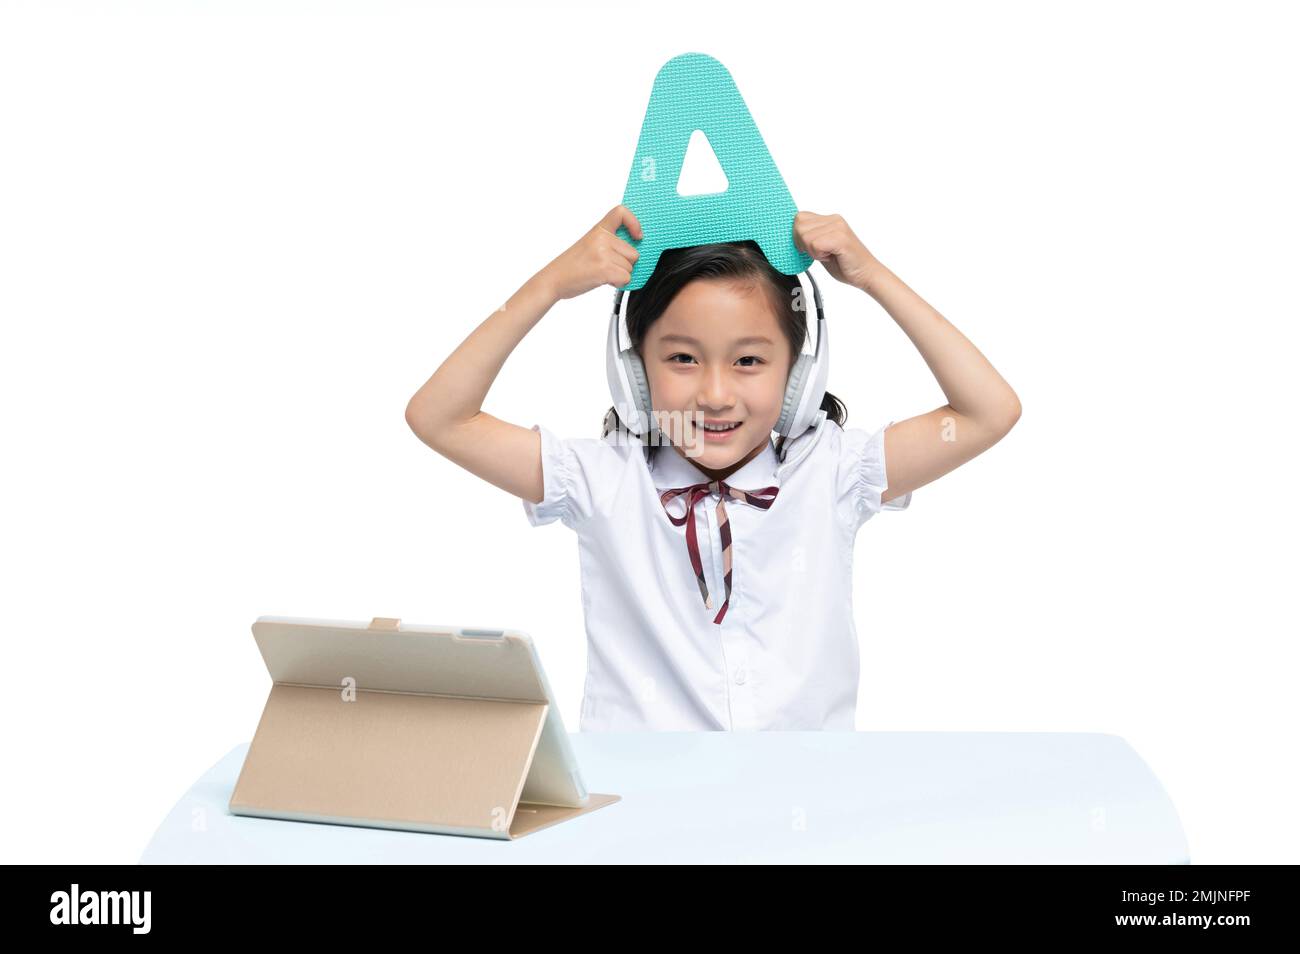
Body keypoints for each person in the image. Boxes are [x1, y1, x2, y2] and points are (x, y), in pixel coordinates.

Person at [405, 205, 1021, 730]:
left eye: (749, 360)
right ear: (634, 373)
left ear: (799, 373)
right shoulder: (602, 480)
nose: (717, 394)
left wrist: (873, 276)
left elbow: (987, 411)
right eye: (682, 358)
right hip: (641, 809)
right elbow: (440, 417)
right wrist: (548, 287)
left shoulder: (835, 472)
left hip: (810, 810)